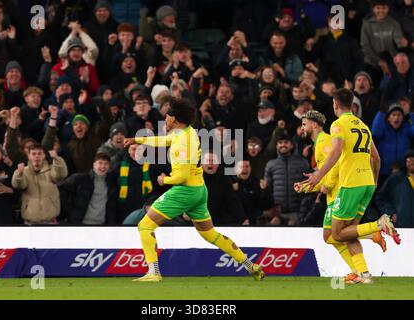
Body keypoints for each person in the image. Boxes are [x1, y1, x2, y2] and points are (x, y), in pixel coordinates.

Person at [124, 97, 265, 282]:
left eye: (167, 116)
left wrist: (165, 179)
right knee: (209, 233)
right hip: (199, 190)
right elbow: (164, 140)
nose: (165, 119)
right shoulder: (186, 132)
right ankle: (250, 265)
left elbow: (181, 175)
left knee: (144, 226)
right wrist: (136, 138)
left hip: (184, 191)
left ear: (173, 118)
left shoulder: (183, 142)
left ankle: (154, 272)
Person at [302, 88, 400, 284]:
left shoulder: (338, 125)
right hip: (366, 184)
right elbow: (377, 158)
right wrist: (374, 181)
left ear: (335, 104)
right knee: (349, 232)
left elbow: (336, 152)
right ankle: (363, 274)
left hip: (350, 185)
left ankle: (378, 225)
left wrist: (318, 175)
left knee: (336, 234)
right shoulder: (363, 126)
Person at [11, 143, 68, 225]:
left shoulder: (51, 169)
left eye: (39, 153)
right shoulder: (23, 171)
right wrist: (19, 174)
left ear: (44, 156)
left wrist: (57, 159)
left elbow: (61, 175)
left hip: (50, 221)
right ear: (29, 156)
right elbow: (19, 185)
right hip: (30, 222)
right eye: (33, 154)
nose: (37, 156)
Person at [263, 134, 311, 225]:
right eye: (280, 143)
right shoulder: (270, 164)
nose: (283, 145)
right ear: (276, 146)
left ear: (292, 145)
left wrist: (303, 210)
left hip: (298, 212)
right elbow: (267, 190)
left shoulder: (302, 162)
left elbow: (309, 186)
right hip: (277, 214)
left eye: (286, 142)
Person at [59, 153, 118, 225]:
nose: (103, 166)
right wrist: (68, 210)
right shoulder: (81, 178)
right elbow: (61, 188)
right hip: (80, 223)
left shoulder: (111, 183)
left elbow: (112, 207)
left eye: (106, 164)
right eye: (100, 163)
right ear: (94, 165)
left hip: (101, 224)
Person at [371, 103, 414, 184]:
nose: (396, 117)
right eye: (393, 115)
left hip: (402, 173)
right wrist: (380, 113)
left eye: (399, 115)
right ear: (388, 118)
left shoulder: (406, 129)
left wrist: (411, 116)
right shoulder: (383, 129)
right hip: (383, 172)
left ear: (403, 118)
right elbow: (375, 132)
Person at [375, 150, 414, 228]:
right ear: (405, 162)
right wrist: (390, 212)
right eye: (409, 159)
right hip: (403, 224)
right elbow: (380, 197)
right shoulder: (396, 178)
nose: (412, 162)